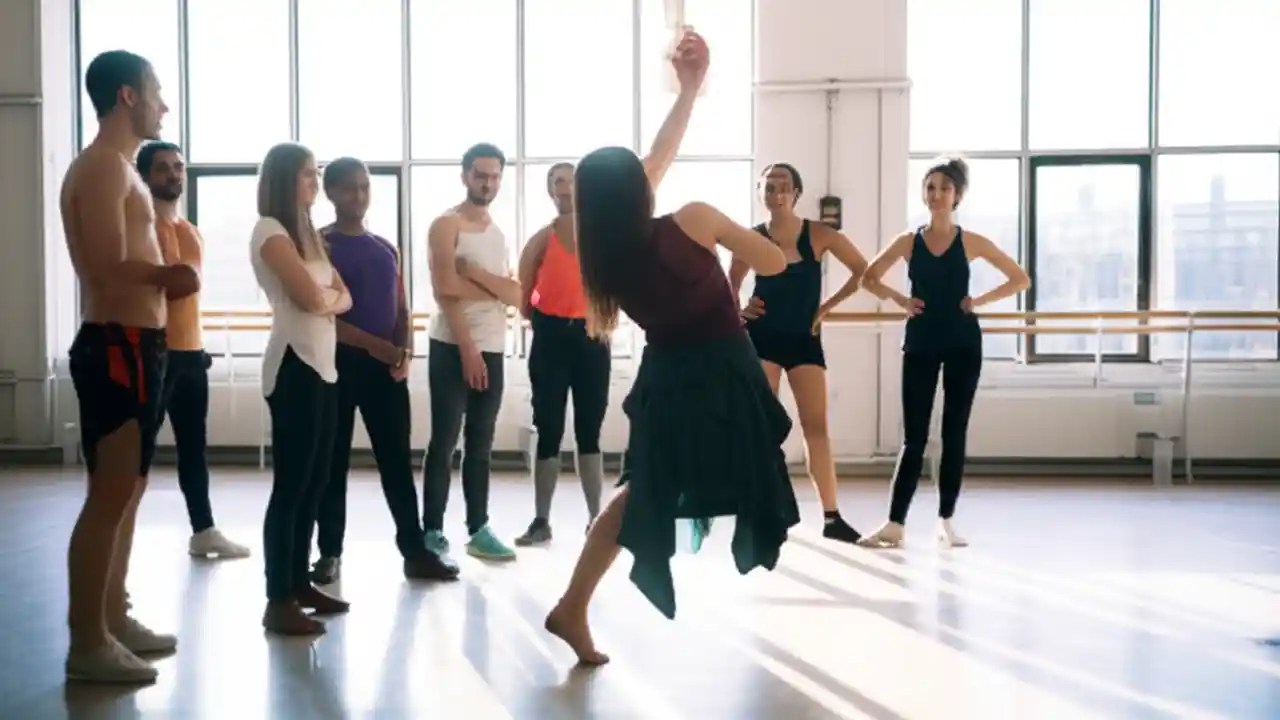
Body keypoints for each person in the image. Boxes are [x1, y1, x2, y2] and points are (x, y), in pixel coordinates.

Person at [543, 32, 797, 666]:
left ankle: (573, 605)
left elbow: (656, 157)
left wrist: (688, 93)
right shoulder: (693, 218)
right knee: (719, 476)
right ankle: (571, 607)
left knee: (645, 490)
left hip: (670, 376)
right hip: (721, 372)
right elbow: (773, 259)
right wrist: (735, 235)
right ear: (639, 190)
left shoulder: (606, 252)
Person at [513, 76, 699, 546]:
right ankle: (541, 519)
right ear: (549, 191)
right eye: (555, 182)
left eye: (568, 181)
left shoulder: (605, 231)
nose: (562, 189)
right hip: (552, 338)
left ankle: (596, 516)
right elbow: (526, 292)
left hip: (593, 337)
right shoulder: (543, 237)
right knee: (549, 427)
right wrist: (542, 312)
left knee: (590, 431)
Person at [61, 49, 198, 683]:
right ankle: (87, 640)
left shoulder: (120, 170)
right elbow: (104, 266)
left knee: (130, 491)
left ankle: (113, 615)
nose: (162, 105)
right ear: (126, 96)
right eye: (156, 92)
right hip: (115, 344)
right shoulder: (100, 169)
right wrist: (168, 274)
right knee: (109, 494)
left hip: (141, 345)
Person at [857, 156, 1030, 549]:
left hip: (963, 343)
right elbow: (868, 277)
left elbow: (1020, 278)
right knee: (913, 437)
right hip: (920, 341)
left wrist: (979, 300)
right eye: (931, 187)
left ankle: (946, 522)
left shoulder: (970, 241)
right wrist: (900, 299)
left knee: (954, 433)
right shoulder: (908, 241)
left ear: (958, 196)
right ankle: (895, 524)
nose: (936, 194)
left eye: (945, 188)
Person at [310, 157, 458, 585]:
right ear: (331, 193)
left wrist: (404, 352)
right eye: (349, 188)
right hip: (336, 366)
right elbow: (322, 316)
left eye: (364, 187)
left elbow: (400, 305)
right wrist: (377, 346)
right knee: (331, 463)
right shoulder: (321, 246)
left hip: (385, 369)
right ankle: (329, 553)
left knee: (395, 462)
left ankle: (414, 552)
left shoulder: (385, 248)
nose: (358, 196)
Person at [731, 163, 867, 545]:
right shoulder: (750, 238)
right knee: (764, 430)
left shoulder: (819, 235)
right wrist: (739, 311)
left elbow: (862, 270)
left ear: (796, 193)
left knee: (816, 428)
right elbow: (730, 283)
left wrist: (825, 308)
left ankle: (832, 515)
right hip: (763, 340)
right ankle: (762, 513)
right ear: (761, 193)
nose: (776, 193)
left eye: (784, 186)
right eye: (769, 186)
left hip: (804, 341)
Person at [249, 142, 353, 635]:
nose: (316, 182)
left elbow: (341, 296)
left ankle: (298, 582)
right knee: (291, 487)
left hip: (324, 367)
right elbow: (311, 298)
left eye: (317, 173)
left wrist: (327, 299)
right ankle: (277, 598)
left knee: (315, 483)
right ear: (285, 178)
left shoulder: (309, 234)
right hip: (294, 367)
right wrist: (327, 298)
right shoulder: (270, 232)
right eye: (308, 174)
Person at [136, 140, 251, 561]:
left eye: (178, 167)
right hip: (154, 351)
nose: (173, 174)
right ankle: (119, 533)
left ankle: (203, 530)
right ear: (145, 176)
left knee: (193, 448)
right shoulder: (142, 227)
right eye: (164, 168)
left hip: (189, 353)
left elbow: (188, 287)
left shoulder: (191, 231)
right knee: (139, 450)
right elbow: (160, 283)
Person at [422, 143, 522, 565]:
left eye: (495, 175)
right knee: (444, 440)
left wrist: (477, 276)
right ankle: (431, 530)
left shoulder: (497, 231)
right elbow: (445, 291)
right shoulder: (446, 224)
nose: (488, 183)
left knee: (480, 442)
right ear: (464, 175)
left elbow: (517, 295)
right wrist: (467, 348)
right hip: (452, 345)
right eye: (481, 174)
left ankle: (478, 529)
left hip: (493, 347)